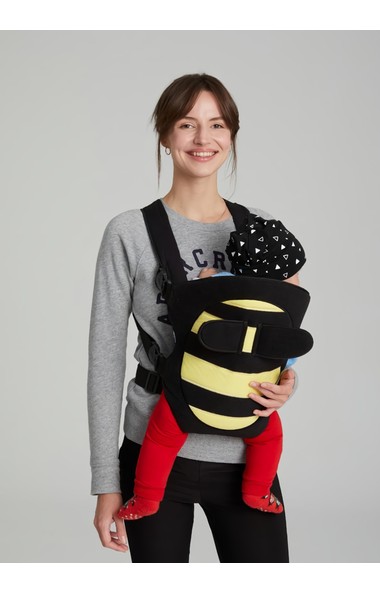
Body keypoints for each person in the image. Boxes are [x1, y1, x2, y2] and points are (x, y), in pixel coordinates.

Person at [88, 73, 301, 563]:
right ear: (165, 135)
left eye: (217, 125)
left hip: (245, 454)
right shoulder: (130, 232)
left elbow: (281, 329)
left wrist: (287, 383)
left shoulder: (261, 231)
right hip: (153, 455)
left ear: (232, 135)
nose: (203, 138)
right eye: (187, 124)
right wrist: (106, 481)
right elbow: (104, 360)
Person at [116, 213, 307, 521]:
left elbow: (195, 295)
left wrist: (209, 275)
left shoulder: (217, 284)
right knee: (269, 437)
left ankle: (147, 497)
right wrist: (288, 378)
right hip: (249, 406)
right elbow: (287, 362)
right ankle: (257, 490)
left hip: (189, 398)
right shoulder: (282, 319)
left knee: (161, 436)